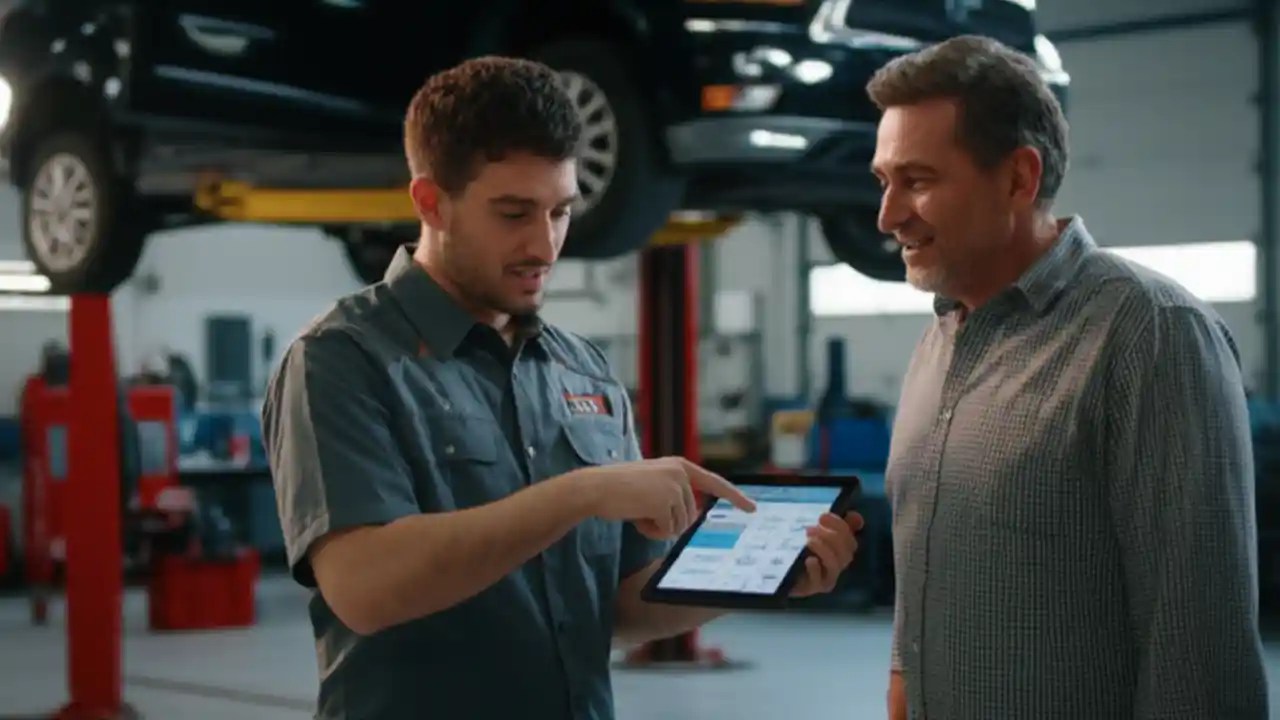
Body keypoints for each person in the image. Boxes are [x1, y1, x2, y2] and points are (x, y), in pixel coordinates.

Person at [261, 56, 863, 720]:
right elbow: (365, 589)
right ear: (431, 202)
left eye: (560, 212)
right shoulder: (342, 361)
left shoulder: (583, 373)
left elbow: (619, 607)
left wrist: (759, 577)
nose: (544, 246)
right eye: (514, 213)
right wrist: (578, 495)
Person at [870, 36, 1269, 720]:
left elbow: (1201, 648)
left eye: (920, 180)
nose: (888, 216)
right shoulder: (938, 344)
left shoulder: (1150, 333)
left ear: (1019, 179)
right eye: (884, 181)